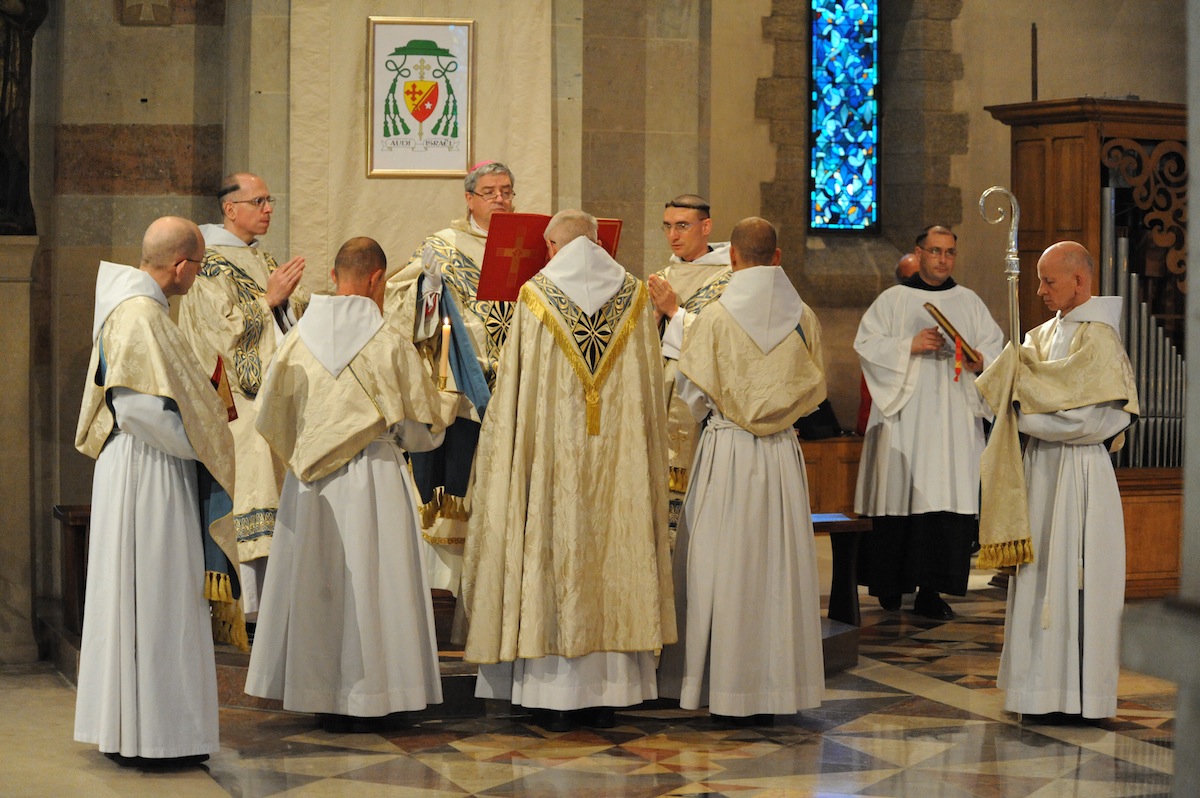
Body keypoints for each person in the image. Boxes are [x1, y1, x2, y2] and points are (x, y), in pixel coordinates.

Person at [461, 210, 676, 732]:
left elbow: (513, 395)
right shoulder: (635, 295)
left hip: (551, 462)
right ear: (600, 242)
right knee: (614, 551)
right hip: (619, 461)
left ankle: (548, 692)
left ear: (554, 245)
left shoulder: (536, 297)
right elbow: (652, 394)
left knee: (550, 552)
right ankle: (611, 691)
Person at [246, 237, 457, 732]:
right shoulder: (388, 341)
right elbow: (420, 431)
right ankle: (378, 695)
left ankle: (321, 694)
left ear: (337, 276)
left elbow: (270, 417)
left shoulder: (295, 339)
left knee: (320, 584)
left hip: (310, 487)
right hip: (376, 478)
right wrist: (443, 400)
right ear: (377, 280)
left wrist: (311, 447)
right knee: (375, 582)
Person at [74, 217, 237, 765]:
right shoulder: (141, 314)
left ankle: (134, 729)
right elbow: (141, 407)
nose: (197, 277)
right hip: (151, 469)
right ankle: (159, 737)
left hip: (136, 467)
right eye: (199, 267)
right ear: (182, 266)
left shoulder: (130, 307)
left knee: (137, 596)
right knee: (159, 595)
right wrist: (204, 442)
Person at [658, 217, 826, 724]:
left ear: (731, 257)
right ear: (776, 257)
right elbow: (814, 394)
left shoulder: (712, 316)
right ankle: (775, 687)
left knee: (722, 562)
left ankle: (719, 685)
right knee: (777, 564)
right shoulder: (804, 317)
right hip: (778, 455)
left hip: (727, 453)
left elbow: (691, 393)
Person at [979, 241, 1138, 720]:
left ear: (1080, 282)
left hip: (1082, 474)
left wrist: (1024, 417)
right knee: (1040, 579)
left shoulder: (1101, 340)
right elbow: (1003, 392)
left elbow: (1091, 423)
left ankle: (1081, 696)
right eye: (1038, 279)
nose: (1040, 289)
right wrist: (1014, 404)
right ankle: (1038, 692)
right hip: (1041, 471)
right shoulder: (1038, 337)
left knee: (1080, 581)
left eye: (1049, 280)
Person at [854, 225, 1005, 619]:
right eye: (935, 251)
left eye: (950, 252)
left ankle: (931, 591)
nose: (942, 259)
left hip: (953, 421)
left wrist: (980, 361)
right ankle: (889, 585)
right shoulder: (892, 301)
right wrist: (910, 346)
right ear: (918, 254)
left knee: (943, 504)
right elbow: (866, 347)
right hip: (905, 419)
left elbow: (995, 350)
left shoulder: (969, 302)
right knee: (899, 495)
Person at [178, 172, 307, 619]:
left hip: (270, 401)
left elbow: (285, 322)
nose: (269, 208)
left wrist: (296, 305)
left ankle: (275, 606)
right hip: (236, 405)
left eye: (270, 200)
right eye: (259, 201)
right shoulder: (206, 263)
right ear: (230, 208)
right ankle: (240, 607)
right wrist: (268, 302)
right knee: (250, 476)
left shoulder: (262, 257)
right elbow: (218, 333)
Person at [386, 160, 517, 597]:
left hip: (517, 383)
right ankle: (451, 592)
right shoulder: (443, 245)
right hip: (465, 387)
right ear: (469, 199)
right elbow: (398, 303)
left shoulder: (530, 244)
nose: (500, 199)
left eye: (507, 191)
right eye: (490, 192)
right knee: (461, 487)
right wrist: (427, 287)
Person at [646, 195, 731, 544]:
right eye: (667, 226)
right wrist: (650, 321)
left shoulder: (730, 278)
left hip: (701, 401)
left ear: (706, 227)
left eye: (682, 225)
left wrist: (675, 313)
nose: (673, 235)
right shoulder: (663, 275)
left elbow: (726, 340)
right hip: (660, 396)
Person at [856, 252, 921, 435]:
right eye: (909, 278)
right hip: (896, 411)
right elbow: (868, 347)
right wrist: (909, 346)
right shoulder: (888, 304)